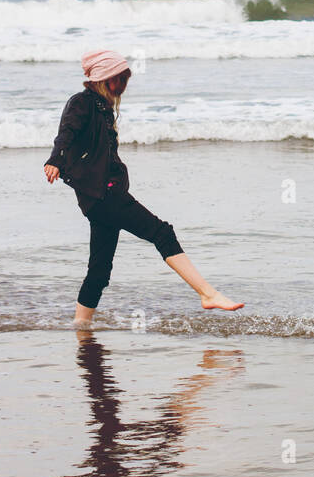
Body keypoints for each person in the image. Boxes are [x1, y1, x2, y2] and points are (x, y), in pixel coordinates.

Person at [44, 48, 244, 325]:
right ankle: (208, 293)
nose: (123, 86)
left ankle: (80, 327)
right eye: (120, 79)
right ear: (106, 78)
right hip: (104, 194)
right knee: (162, 233)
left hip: (101, 196)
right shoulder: (82, 103)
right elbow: (65, 133)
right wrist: (55, 159)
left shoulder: (101, 106)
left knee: (99, 271)